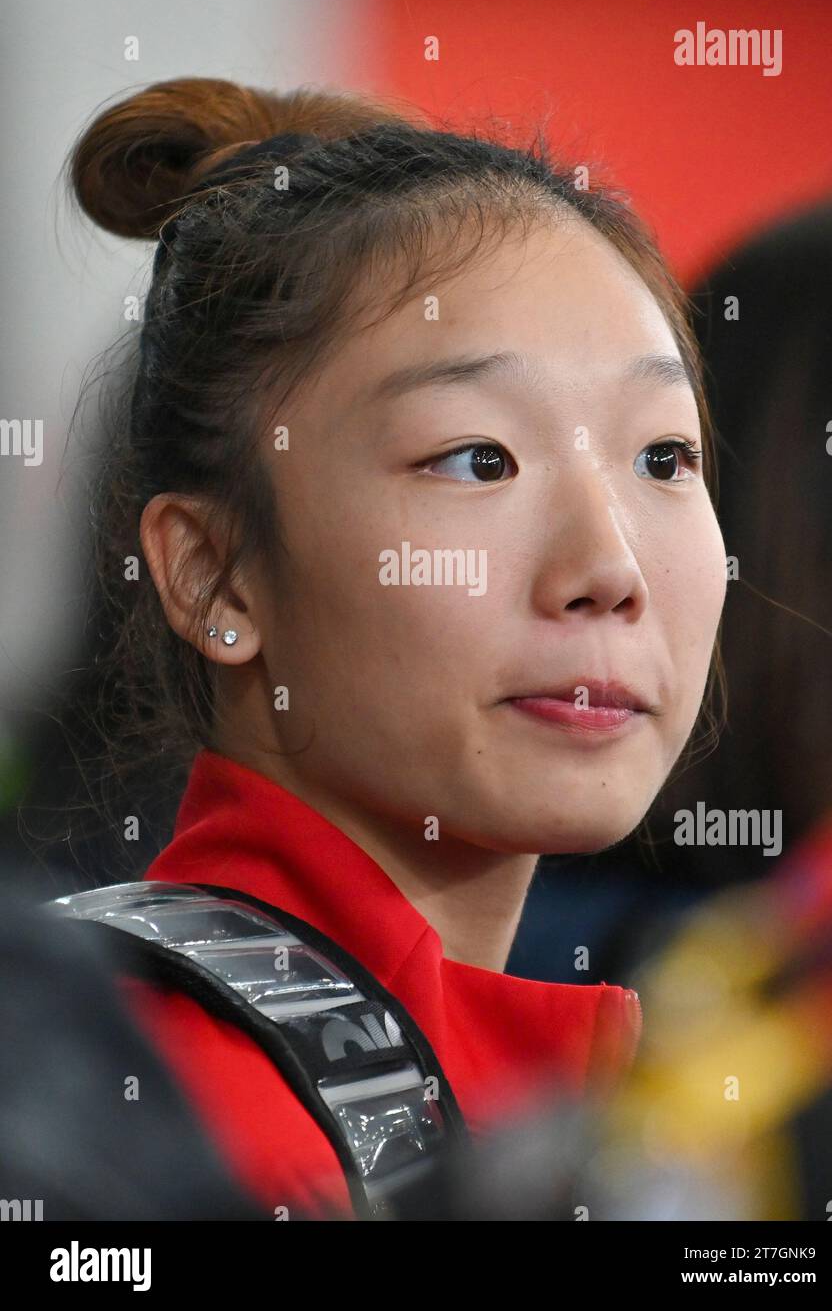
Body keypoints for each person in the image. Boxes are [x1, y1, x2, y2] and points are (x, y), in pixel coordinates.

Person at [53, 75, 728, 1219]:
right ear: (213, 572)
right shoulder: (119, 1119)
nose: (607, 570)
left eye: (661, 459)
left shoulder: (680, 1111)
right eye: (475, 459)